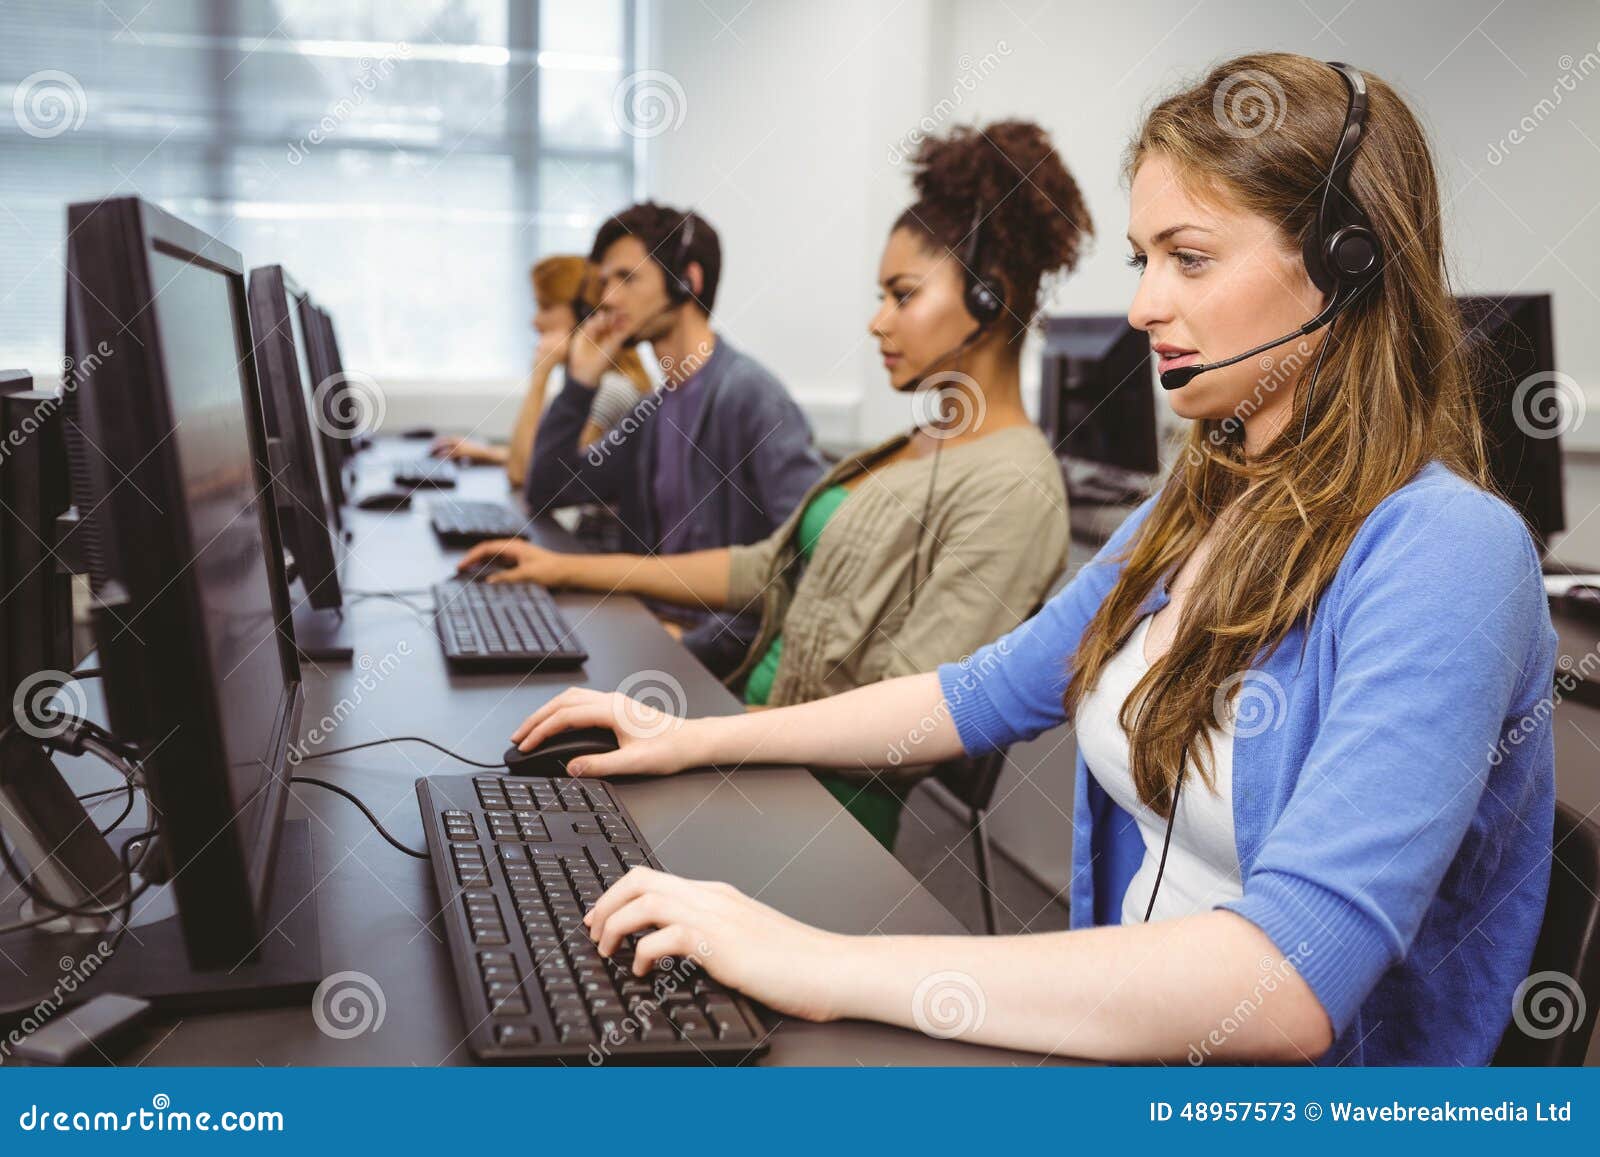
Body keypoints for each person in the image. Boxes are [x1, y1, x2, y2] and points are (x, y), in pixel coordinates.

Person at [502, 55, 1557, 1065]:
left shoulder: (1448, 552)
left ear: (1345, 266)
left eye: (1187, 258)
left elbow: (1284, 980)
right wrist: (687, 736)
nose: (1145, 303)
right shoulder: (1195, 508)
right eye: (1142, 260)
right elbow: (978, 690)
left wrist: (820, 961)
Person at [467, 121, 1089, 848]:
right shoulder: (920, 443)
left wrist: (691, 735)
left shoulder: (1015, 487)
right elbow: (764, 566)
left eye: (902, 295)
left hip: (816, 805)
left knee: (554, 837)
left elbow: (917, 718)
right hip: (749, 744)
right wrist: (562, 566)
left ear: (989, 296)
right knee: (527, 807)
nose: (877, 319)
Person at [519, 203, 826, 677]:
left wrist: (693, 644)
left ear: (688, 280)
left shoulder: (749, 396)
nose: (608, 299)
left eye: (626, 278)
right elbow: (548, 491)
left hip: (714, 668)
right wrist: (579, 384)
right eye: (604, 283)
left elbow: (812, 567)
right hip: (653, 636)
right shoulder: (656, 408)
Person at [431, 255, 650, 491]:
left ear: (584, 314)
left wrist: (540, 374)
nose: (535, 322)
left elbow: (523, 473)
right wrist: (489, 453)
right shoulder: (591, 385)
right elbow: (552, 461)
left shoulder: (610, 390)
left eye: (545, 307)